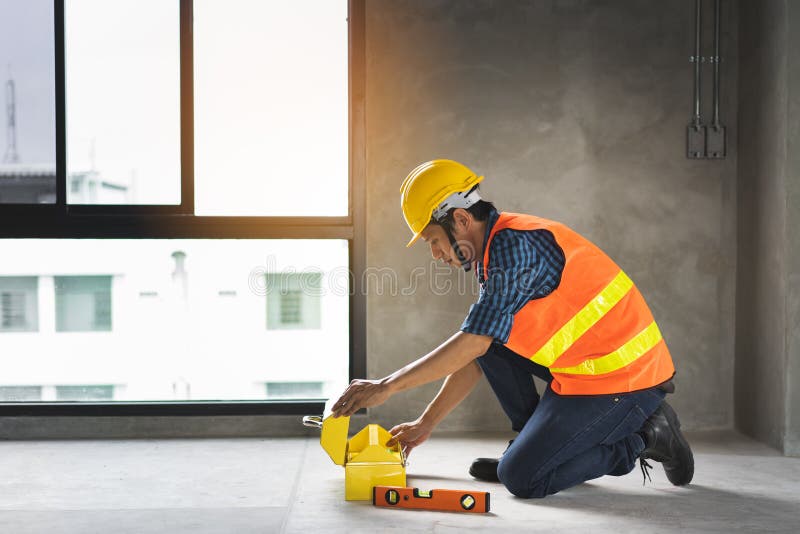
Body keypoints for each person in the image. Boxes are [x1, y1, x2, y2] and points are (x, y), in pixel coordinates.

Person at [331, 159, 694, 498]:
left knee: (522, 479)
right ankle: (535, 448)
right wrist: (426, 424)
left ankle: (646, 436)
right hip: (583, 371)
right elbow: (480, 350)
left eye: (433, 241)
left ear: (459, 220)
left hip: (625, 379)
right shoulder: (495, 250)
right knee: (489, 343)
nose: (436, 255)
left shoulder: (515, 248)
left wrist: (386, 386)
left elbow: (473, 343)